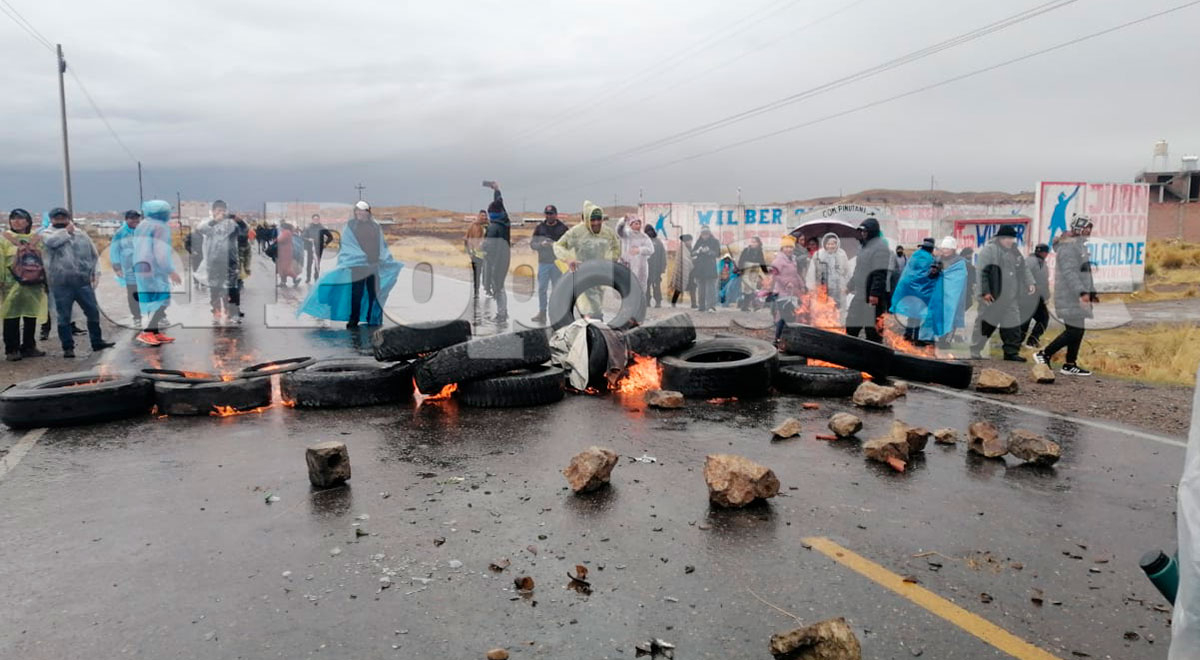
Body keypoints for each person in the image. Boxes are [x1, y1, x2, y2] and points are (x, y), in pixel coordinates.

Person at [299, 200, 403, 328]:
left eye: (362, 211)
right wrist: (357, 257)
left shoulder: (375, 226)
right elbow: (347, 244)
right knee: (356, 293)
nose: (359, 213)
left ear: (367, 212)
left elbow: (381, 244)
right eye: (357, 211)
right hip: (357, 266)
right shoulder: (351, 225)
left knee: (374, 293)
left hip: (373, 264)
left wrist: (385, 258)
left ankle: (372, 318)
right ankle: (354, 319)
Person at [40, 208, 114, 358]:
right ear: (51, 219)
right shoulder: (47, 234)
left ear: (68, 218)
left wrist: (96, 273)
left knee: (93, 312)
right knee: (64, 317)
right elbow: (52, 243)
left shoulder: (81, 234)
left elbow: (93, 254)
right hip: (61, 284)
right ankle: (68, 347)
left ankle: (97, 341)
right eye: (57, 218)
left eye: (63, 217)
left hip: (82, 282)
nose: (60, 220)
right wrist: (66, 232)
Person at [1036, 215, 1097, 376]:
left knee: (1078, 330)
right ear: (1078, 228)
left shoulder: (1079, 246)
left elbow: (1085, 272)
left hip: (1077, 295)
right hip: (1069, 296)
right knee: (1073, 331)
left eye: (1090, 227)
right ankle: (1044, 354)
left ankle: (1070, 364)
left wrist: (1091, 291)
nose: (1089, 230)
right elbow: (1070, 273)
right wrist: (1081, 292)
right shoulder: (1068, 247)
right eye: (1086, 227)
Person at [970, 225, 1036, 362]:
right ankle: (975, 350)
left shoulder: (1015, 252)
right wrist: (985, 292)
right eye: (1007, 238)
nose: (1009, 240)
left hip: (1010, 296)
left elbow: (1024, 268)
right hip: (993, 296)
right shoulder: (989, 250)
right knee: (986, 324)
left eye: (1012, 238)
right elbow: (982, 272)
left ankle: (1011, 352)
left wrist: (1030, 282)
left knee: (1012, 325)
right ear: (1000, 238)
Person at [553, 202, 620, 320]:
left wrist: (610, 260)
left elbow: (616, 247)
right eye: (592, 220)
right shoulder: (577, 232)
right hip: (581, 271)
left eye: (599, 219)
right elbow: (558, 245)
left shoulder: (607, 232)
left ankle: (596, 321)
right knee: (587, 307)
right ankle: (588, 320)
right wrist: (568, 259)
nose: (596, 223)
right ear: (587, 219)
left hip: (599, 272)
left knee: (597, 305)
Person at [133, 200, 181, 346]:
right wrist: (171, 271)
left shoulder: (143, 224)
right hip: (154, 268)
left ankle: (154, 332)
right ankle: (147, 332)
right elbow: (161, 253)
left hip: (141, 267)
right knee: (162, 300)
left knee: (152, 300)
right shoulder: (161, 227)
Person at [1, 208, 48, 360]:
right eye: (13, 218)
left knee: (31, 316)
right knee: (11, 317)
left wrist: (47, 281)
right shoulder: (4, 239)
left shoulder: (36, 239)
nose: (16, 221)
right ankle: (12, 350)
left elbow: (45, 260)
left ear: (28, 222)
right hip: (11, 285)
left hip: (34, 285)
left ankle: (29, 347)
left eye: (20, 218)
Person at [845, 217, 892, 343]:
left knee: (872, 329)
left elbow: (879, 273)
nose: (863, 233)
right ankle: (849, 349)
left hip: (872, 297)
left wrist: (874, 294)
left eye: (865, 231)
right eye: (861, 231)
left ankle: (874, 352)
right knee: (852, 324)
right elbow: (858, 270)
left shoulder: (881, 247)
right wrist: (849, 286)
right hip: (860, 293)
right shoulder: (864, 246)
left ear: (872, 231)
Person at [194, 200, 242, 323]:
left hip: (230, 262)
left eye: (223, 210)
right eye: (219, 210)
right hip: (213, 262)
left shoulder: (230, 223)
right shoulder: (208, 223)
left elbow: (242, 230)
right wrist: (215, 221)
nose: (221, 212)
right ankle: (216, 310)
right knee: (215, 288)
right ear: (213, 211)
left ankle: (232, 312)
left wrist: (237, 219)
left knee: (231, 288)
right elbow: (200, 229)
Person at [919, 237, 969, 347]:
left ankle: (944, 340)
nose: (945, 251)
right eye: (944, 248)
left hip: (952, 295)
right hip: (937, 294)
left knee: (949, 315)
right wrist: (933, 272)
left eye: (948, 249)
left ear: (953, 249)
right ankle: (927, 338)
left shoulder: (959, 262)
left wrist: (944, 275)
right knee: (931, 314)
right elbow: (929, 276)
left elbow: (959, 278)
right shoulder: (937, 259)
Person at [890, 237, 938, 343]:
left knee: (912, 313)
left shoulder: (914, 255)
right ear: (931, 249)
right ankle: (916, 337)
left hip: (909, 288)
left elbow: (909, 272)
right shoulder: (930, 259)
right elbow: (929, 275)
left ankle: (908, 335)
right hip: (921, 290)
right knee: (919, 314)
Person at [530, 204, 568, 324]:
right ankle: (542, 313)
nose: (549, 216)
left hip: (558, 263)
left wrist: (555, 245)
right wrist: (541, 245)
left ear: (556, 215)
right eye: (547, 214)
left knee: (557, 289)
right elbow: (532, 244)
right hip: (543, 263)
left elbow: (569, 245)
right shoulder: (540, 228)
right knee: (542, 289)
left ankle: (557, 312)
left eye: (551, 214)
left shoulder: (563, 228)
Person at [481, 182, 513, 324]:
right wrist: (497, 190)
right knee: (499, 286)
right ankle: (502, 312)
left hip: (496, 260)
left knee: (498, 287)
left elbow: (488, 247)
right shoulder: (505, 222)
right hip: (505, 257)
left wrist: (482, 247)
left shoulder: (493, 228)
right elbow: (500, 203)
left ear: (492, 214)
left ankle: (502, 314)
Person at [109, 210, 142, 327]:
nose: (135, 221)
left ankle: (158, 316)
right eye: (132, 218)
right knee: (133, 293)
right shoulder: (120, 233)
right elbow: (114, 250)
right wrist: (117, 267)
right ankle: (137, 317)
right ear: (126, 219)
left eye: (137, 218)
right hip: (129, 270)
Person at [769, 236, 804, 341]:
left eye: (791, 247)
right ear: (782, 248)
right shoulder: (779, 260)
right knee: (784, 316)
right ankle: (777, 339)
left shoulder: (793, 259)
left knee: (791, 316)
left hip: (792, 293)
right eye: (786, 247)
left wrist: (802, 285)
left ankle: (786, 338)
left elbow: (795, 274)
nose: (789, 249)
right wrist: (786, 283)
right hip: (782, 293)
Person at [805, 232, 851, 309]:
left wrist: (848, 286)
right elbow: (812, 271)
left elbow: (847, 271)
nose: (830, 246)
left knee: (838, 309)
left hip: (839, 289)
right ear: (824, 244)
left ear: (837, 244)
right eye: (828, 244)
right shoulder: (818, 255)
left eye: (833, 244)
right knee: (824, 310)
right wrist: (811, 287)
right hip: (823, 288)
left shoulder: (842, 254)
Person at [1021, 243, 1051, 349]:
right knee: (1043, 318)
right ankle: (1032, 340)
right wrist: (1046, 295)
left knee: (1026, 319)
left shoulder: (1030, 260)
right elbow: (1042, 282)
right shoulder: (1037, 263)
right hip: (1033, 296)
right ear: (1045, 253)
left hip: (1028, 295)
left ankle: (1018, 341)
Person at [617, 215, 652, 295]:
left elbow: (651, 249)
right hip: (627, 265)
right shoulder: (626, 234)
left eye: (639, 223)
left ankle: (640, 300)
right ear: (631, 224)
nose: (638, 225)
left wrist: (639, 250)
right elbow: (619, 230)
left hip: (641, 267)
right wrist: (623, 221)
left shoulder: (644, 237)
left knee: (641, 288)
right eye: (636, 223)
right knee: (626, 287)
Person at [691, 226, 721, 312]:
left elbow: (718, 253)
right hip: (700, 268)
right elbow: (692, 253)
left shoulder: (715, 241)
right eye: (703, 234)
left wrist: (709, 251)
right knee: (700, 289)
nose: (704, 236)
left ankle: (711, 306)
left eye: (706, 234)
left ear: (709, 234)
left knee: (710, 289)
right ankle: (701, 306)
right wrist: (698, 251)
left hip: (710, 268)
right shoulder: (699, 241)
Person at [737, 236, 768, 312]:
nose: (753, 243)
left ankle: (747, 305)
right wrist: (740, 269)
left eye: (754, 242)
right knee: (748, 287)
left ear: (758, 243)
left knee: (752, 287)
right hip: (747, 268)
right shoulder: (746, 250)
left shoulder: (759, 251)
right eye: (752, 242)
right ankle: (752, 304)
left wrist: (765, 271)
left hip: (755, 269)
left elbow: (762, 262)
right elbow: (741, 260)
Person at [464, 210, 487, 301]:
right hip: (476, 254)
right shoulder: (473, 226)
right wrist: (469, 252)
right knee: (477, 274)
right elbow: (466, 239)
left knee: (488, 273)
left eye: (485, 216)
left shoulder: (488, 226)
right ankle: (476, 291)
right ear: (478, 216)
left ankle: (488, 289)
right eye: (482, 216)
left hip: (487, 254)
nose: (484, 217)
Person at [669, 234, 695, 308]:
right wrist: (690, 262)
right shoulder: (681, 249)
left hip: (691, 271)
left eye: (690, 240)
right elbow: (682, 259)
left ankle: (694, 303)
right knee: (679, 287)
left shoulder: (691, 248)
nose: (690, 242)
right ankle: (673, 302)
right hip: (681, 270)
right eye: (689, 241)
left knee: (692, 287)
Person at [302, 214, 328, 283]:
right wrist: (308, 239)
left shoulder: (322, 228)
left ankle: (316, 277)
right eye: (314, 219)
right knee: (309, 263)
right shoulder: (308, 227)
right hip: (310, 248)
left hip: (319, 248)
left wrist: (324, 240)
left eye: (317, 219)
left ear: (319, 219)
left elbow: (327, 236)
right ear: (312, 219)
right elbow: (303, 237)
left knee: (317, 264)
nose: (316, 220)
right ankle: (308, 278)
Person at [276, 221, 302, 287]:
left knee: (285, 268)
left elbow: (280, 239)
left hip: (285, 253)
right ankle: (283, 282)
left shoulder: (286, 232)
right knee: (282, 268)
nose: (280, 228)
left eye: (280, 227)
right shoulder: (286, 232)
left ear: (283, 227)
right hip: (283, 252)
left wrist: (275, 239)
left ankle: (296, 278)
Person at [645, 226, 666, 308]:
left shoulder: (657, 242)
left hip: (654, 268)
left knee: (653, 286)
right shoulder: (657, 242)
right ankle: (652, 301)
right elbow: (663, 256)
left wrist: (662, 267)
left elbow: (663, 256)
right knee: (651, 286)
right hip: (649, 268)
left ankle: (654, 301)